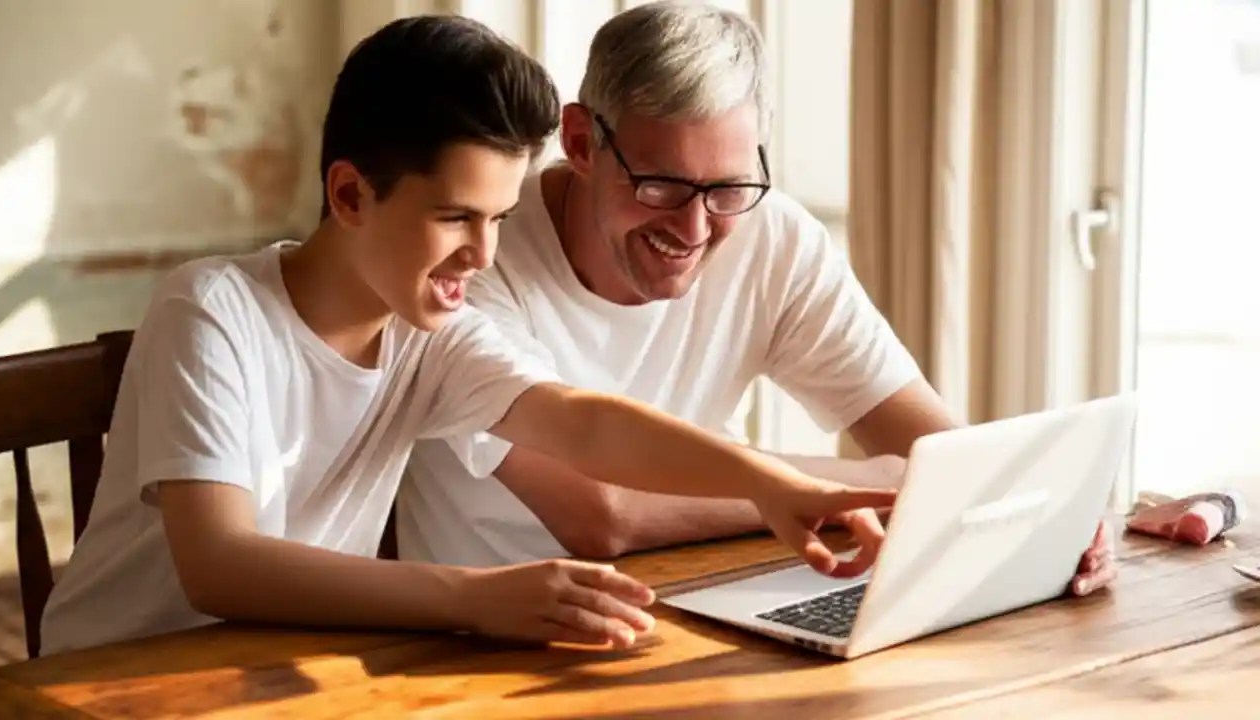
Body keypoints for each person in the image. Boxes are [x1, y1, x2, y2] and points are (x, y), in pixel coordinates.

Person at [38, 15, 898, 656]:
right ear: (349, 196)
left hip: (281, 669)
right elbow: (220, 567)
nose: (481, 255)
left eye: (497, 217)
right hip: (107, 685)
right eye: (455, 217)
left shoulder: (430, 334)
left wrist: (767, 479)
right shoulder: (213, 312)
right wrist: (475, 596)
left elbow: (582, 422)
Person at [397, 1, 1115, 597]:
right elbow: (605, 512)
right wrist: (879, 484)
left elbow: (938, 449)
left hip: (696, 602)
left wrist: (1049, 514)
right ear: (582, 143)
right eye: (663, 186)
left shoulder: (770, 236)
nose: (696, 227)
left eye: (729, 189)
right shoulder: (472, 251)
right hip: (480, 642)